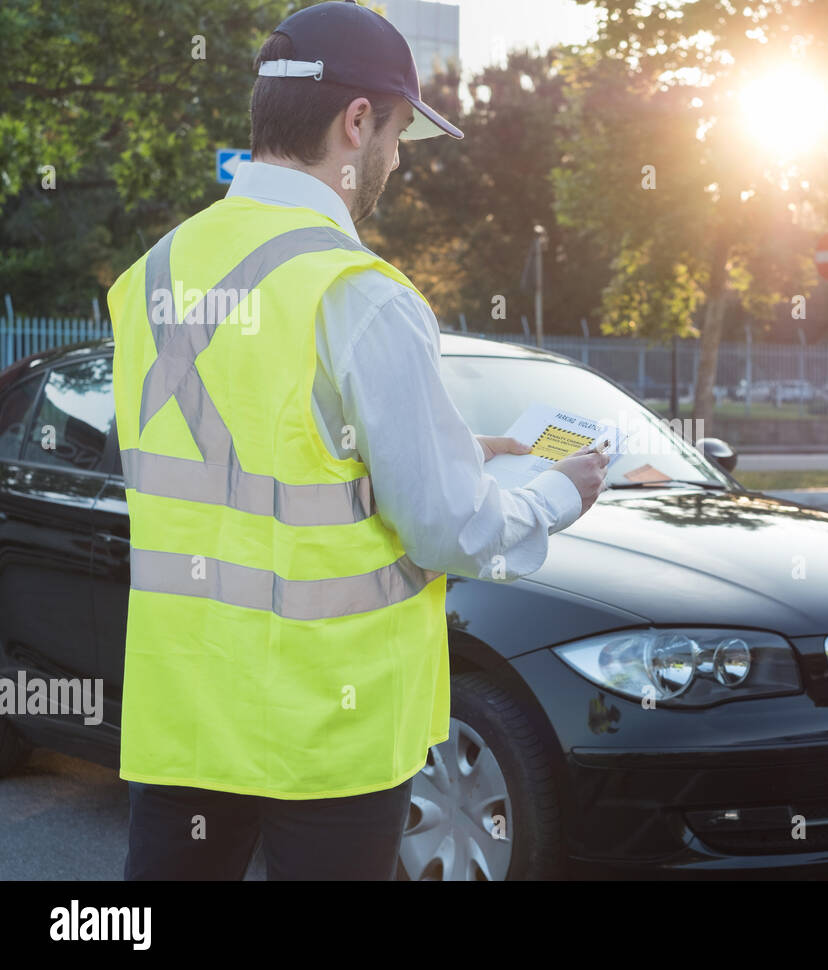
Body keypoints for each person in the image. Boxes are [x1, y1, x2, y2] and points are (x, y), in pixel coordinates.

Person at [106, 0, 608, 880]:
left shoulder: (152, 276)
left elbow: (229, 469)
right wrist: (559, 493)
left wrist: (450, 448)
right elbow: (448, 532)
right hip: (324, 739)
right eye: (402, 132)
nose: (399, 157)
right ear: (356, 121)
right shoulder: (358, 292)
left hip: (185, 716)